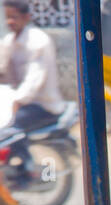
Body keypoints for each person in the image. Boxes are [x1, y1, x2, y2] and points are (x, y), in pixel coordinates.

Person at [0, 0, 63, 176]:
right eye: (7, 17)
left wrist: (17, 101)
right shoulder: (9, 41)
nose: (10, 22)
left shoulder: (38, 41)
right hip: (21, 102)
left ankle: (28, 169)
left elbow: (34, 79)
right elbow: (3, 71)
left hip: (42, 104)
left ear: (26, 17)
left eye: (14, 17)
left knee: (7, 127)